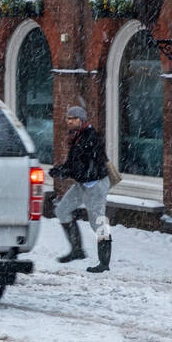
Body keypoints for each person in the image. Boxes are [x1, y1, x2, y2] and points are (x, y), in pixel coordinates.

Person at [48, 105, 113, 272]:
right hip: (82, 184)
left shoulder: (91, 137)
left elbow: (89, 164)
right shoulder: (76, 136)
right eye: (68, 118)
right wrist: (62, 170)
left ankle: (104, 263)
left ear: (82, 120)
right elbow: (74, 163)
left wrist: (67, 171)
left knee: (98, 222)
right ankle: (77, 250)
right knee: (62, 210)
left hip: (95, 185)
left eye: (74, 118)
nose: (70, 121)